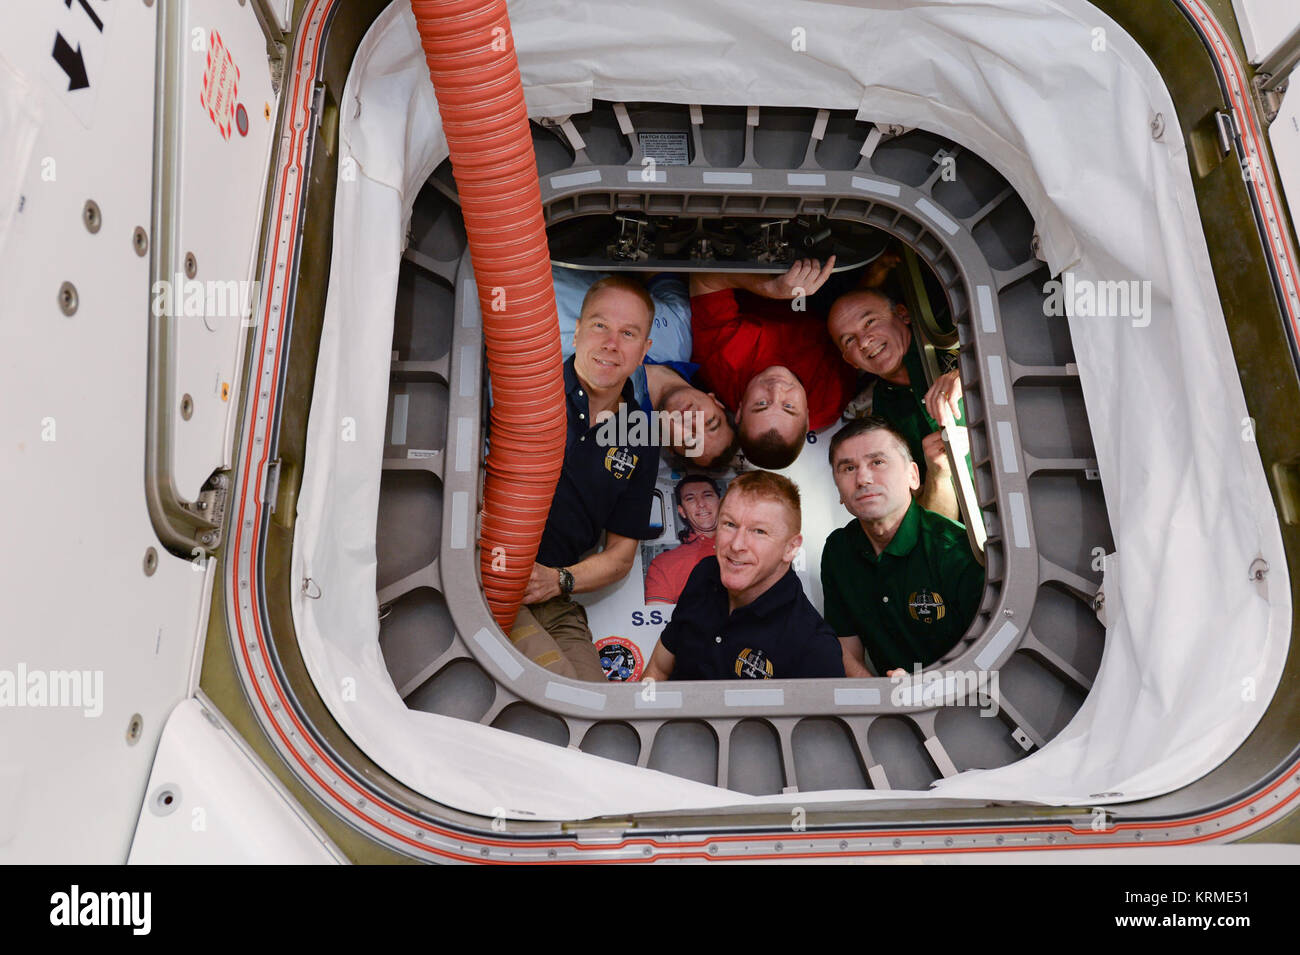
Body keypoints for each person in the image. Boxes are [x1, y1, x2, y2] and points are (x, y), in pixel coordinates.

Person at [509, 276, 661, 681]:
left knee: (594, 708)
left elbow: (620, 558)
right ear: (576, 331)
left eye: (628, 333)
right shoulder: (523, 383)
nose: (612, 343)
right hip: (489, 572)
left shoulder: (642, 435)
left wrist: (558, 580)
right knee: (556, 692)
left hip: (555, 594)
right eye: (600, 325)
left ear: (644, 351)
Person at [820, 417, 984, 679]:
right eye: (848, 468)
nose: (863, 478)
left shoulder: (956, 551)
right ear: (838, 491)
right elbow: (845, 648)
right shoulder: (838, 550)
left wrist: (926, 689)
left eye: (878, 462)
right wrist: (878, 699)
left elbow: (989, 654)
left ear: (913, 475)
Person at [644, 471, 844, 681]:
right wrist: (643, 710)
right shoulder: (704, 574)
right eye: (730, 524)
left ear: (791, 548)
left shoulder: (814, 646)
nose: (737, 545)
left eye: (758, 531)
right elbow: (658, 669)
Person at [554, 267, 738, 467]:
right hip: (534, 258)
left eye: (689, 440)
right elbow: (653, 262)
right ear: (716, 402)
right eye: (710, 422)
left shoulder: (603, 414)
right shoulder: (685, 330)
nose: (692, 422)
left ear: (668, 445)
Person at [689, 258, 859, 469]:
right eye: (789, 406)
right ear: (807, 418)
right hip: (830, 292)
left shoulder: (717, 363)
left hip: (755, 268)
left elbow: (704, 276)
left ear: (740, 411)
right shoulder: (831, 399)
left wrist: (770, 287)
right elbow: (859, 334)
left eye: (761, 404)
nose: (777, 389)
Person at [827, 286, 966, 520]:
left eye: (869, 322)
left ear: (902, 314)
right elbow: (929, 524)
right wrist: (937, 475)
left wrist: (969, 374)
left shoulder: (954, 335)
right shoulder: (882, 418)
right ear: (850, 360)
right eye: (849, 340)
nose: (863, 341)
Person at [644, 475, 721, 604]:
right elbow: (657, 616)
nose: (701, 504)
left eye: (707, 495)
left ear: (721, 502)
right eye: (690, 499)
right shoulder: (663, 564)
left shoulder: (748, 545)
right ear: (682, 511)